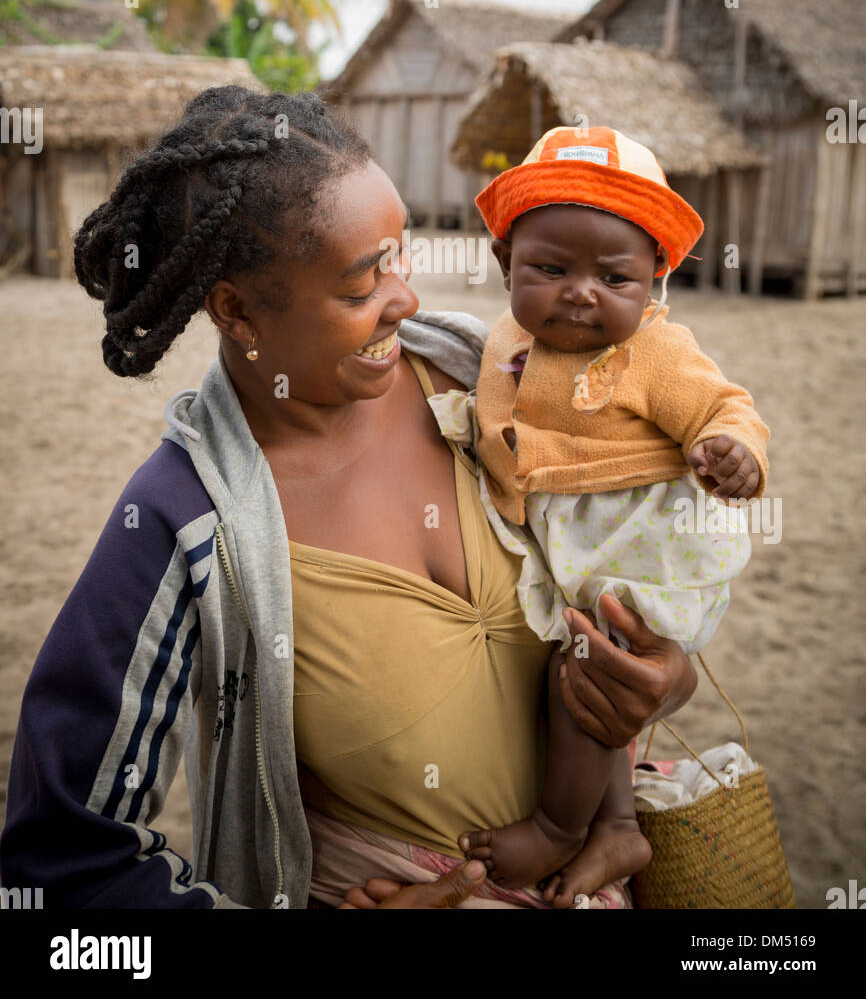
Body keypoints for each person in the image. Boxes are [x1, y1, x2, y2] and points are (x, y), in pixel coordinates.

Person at [0, 92, 698, 910]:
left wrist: (664, 676)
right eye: (364, 280)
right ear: (237, 309)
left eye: (399, 258)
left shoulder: (497, 389)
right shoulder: (183, 524)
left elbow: (640, 559)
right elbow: (62, 866)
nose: (403, 299)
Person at [428, 126, 769, 906]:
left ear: (652, 282)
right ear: (505, 263)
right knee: (592, 675)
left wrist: (732, 450)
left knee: (584, 670)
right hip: (588, 551)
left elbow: (726, 405)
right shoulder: (506, 343)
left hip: (650, 551)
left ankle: (558, 825)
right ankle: (618, 827)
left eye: (613, 278)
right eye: (550, 269)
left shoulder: (655, 351)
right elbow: (497, 421)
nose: (580, 292)